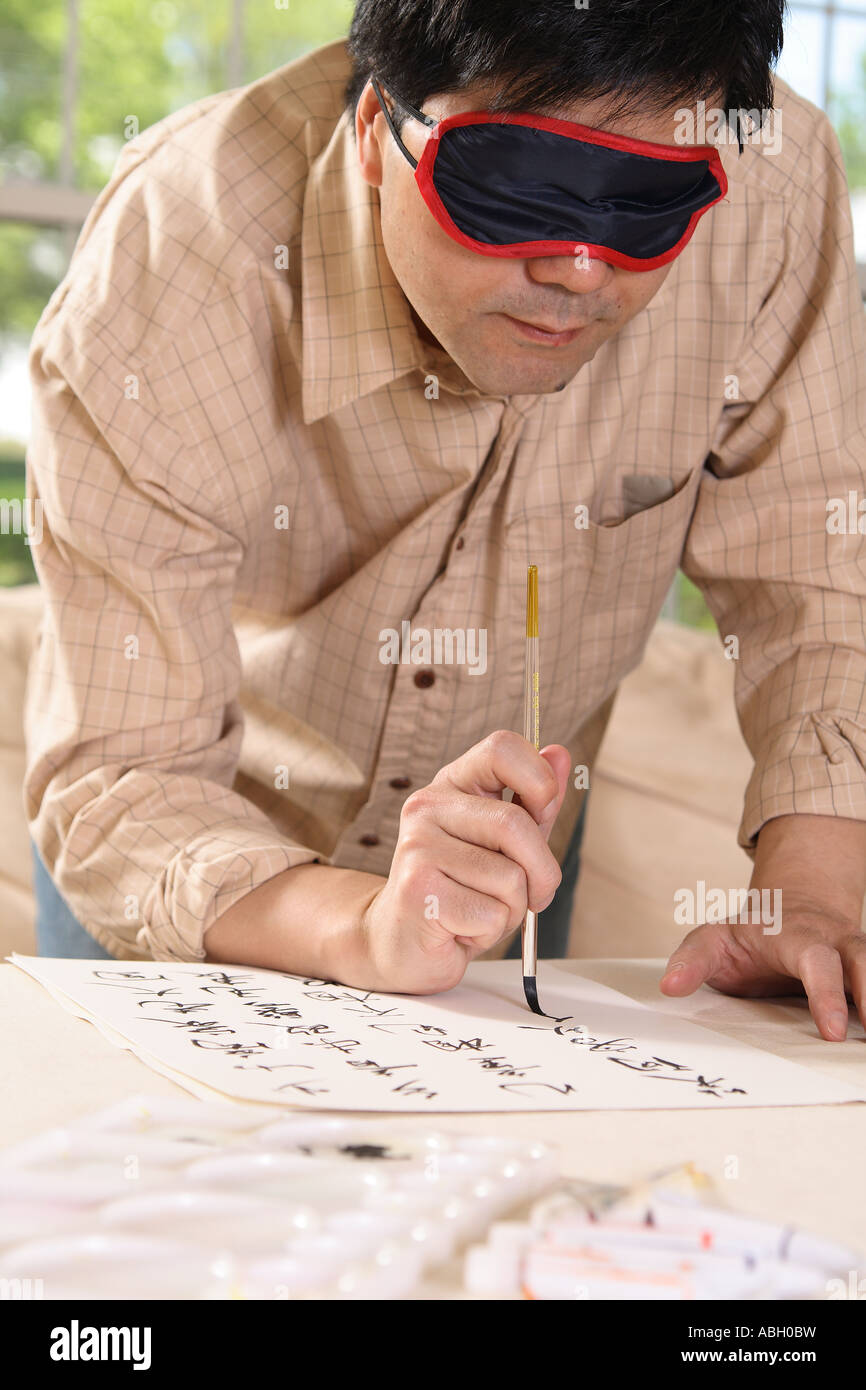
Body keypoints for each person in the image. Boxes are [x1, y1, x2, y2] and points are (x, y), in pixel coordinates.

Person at [24, 1, 866, 1041]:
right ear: (381, 133)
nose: (578, 273)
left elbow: (819, 567)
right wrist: (362, 923)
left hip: (497, 867)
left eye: (642, 207)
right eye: (516, 188)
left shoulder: (764, 188)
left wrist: (817, 888)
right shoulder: (179, 260)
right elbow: (124, 774)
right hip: (191, 857)